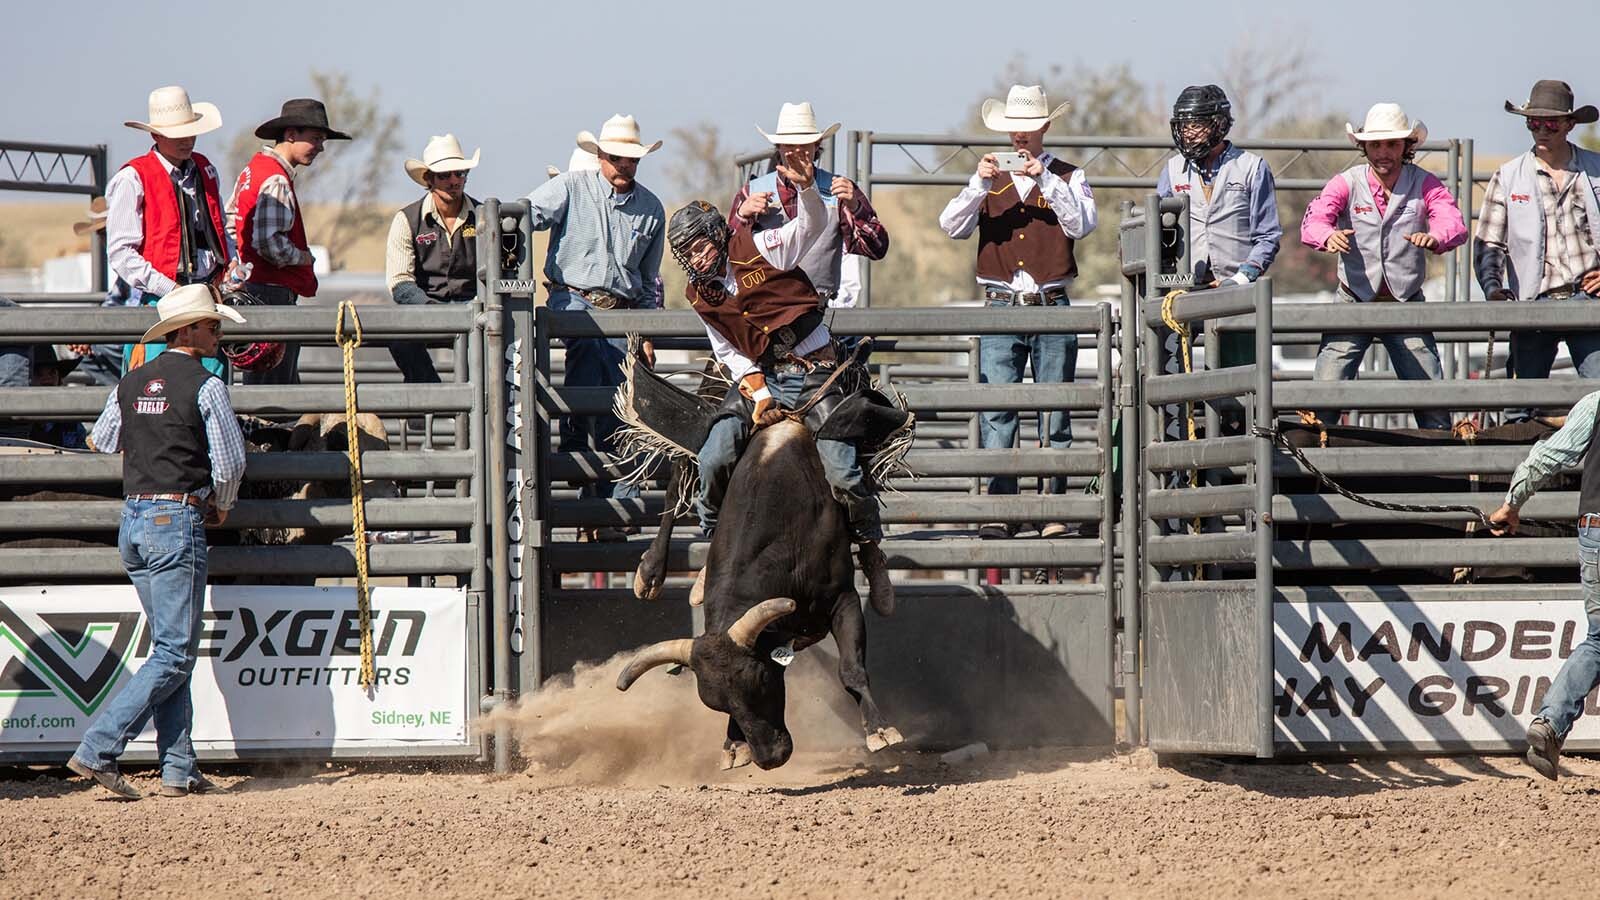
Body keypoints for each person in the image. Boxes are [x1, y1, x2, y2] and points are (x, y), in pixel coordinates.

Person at [666, 150, 895, 613]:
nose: (698, 257)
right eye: (688, 253)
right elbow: (728, 350)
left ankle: (870, 547)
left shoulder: (760, 244)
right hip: (763, 375)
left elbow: (809, 227)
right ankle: (714, 545)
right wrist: (760, 392)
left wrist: (808, 189)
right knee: (713, 457)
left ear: (717, 235)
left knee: (842, 469)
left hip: (815, 370)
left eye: (701, 246)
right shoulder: (700, 295)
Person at [66, 284, 246, 800]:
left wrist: (150, 429)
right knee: (174, 651)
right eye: (212, 325)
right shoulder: (207, 385)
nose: (217, 332)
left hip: (135, 521)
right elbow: (230, 461)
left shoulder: (131, 381)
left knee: (172, 646)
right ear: (187, 331)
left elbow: (103, 439)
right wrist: (223, 503)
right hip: (175, 519)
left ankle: (178, 766)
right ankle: (99, 746)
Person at [938, 84, 1097, 540]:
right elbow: (951, 226)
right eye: (1014, 129)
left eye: (1027, 127)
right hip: (1001, 303)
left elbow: (1082, 225)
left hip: (1051, 302)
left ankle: (1051, 506)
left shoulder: (1068, 175)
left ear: (1044, 127)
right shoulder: (988, 178)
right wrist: (978, 185)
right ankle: (1002, 506)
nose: (1020, 136)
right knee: (998, 411)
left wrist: (1046, 181)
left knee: (1055, 413)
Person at [524, 115, 666, 539]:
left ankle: (595, 480)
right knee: (590, 349)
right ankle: (589, 463)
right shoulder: (571, 187)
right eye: (618, 158)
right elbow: (523, 215)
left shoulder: (652, 209)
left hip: (621, 309)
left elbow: (648, 281)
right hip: (573, 297)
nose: (625, 165)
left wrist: (645, 333)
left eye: (632, 159)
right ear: (601, 156)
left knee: (621, 400)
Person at [1301, 103, 1467, 430]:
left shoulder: (1425, 184)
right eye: (1375, 144)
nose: (1383, 152)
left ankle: (1442, 454)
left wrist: (1436, 237)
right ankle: (1314, 454)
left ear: (1406, 146)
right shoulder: (1346, 183)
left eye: (1392, 144)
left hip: (1404, 300)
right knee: (1324, 395)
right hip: (1354, 299)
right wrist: (1327, 235)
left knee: (1431, 398)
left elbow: (1452, 221)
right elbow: (1314, 220)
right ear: (1364, 147)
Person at [1488, 388, 1600, 780]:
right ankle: (1551, 723)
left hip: (1596, 529)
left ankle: (1551, 723)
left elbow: (1549, 456)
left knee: (1599, 639)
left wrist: (1512, 503)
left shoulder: (1597, 402)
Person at [1475, 79, 1600, 419]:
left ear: (1569, 124)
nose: (1541, 130)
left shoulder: (1596, 170)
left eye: (1551, 123)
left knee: (1598, 394)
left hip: (1588, 300)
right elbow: (1489, 242)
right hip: (1532, 301)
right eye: (1534, 122)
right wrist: (1493, 288)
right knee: (1519, 407)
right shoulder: (1508, 176)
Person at [108, 86, 235, 377]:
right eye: (178, 134)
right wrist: (171, 289)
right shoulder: (133, 178)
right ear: (156, 135)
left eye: (191, 132)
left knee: (210, 379)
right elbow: (121, 254)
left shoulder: (205, 171)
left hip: (208, 296)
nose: (187, 140)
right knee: (157, 383)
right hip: (160, 301)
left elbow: (220, 230)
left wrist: (230, 266)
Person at [227, 98, 352, 385]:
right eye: (316, 138)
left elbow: (232, 221)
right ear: (291, 135)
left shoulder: (253, 170)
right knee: (275, 386)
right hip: (271, 293)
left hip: (252, 288)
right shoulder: (276, 179)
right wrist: (303, 257)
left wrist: (240, 263)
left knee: (266, 381)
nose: (320, 147)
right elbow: (269, 244)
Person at [728, 101, 889, 319]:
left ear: (816, 145)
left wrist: (856, 207)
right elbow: (726, 258)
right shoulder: (751, 192)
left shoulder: (839, 190)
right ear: (779, 147)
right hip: (765, 313)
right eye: (789, 144)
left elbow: (877, 248)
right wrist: (741, 217)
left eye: (804, 144)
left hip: (819, 312)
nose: (797, 151)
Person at [385, 134, 481, 384]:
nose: (454, 180)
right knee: (399, 337)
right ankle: (431, 394)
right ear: (429, 179)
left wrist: (478, 306)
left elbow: (499, 273)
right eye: (445, 175)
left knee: (496, 339)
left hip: (474, 309)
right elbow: (400, 283)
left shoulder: (484, 217)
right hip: (424, 308)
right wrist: (430, 309)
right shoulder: (406, 219)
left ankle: (480, 398)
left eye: (460, 173)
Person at [68, 197, 134, 387]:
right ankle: (124, 391)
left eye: (105, 232)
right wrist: (88, 332)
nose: (103, 240)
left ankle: (125, 391)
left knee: (97, 349)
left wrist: (93, 335)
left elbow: (129, 310)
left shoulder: (134, 263)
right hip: (129, 335)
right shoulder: (126, 267)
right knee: (82, 354)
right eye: (101, 234)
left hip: (139, 335)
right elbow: (112, 304)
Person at [28, 346, 89, 449]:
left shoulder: (70, 422)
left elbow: (81, 451)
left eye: (52, 372)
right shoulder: (16, 420)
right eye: (38, 373)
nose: (47, 379)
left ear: (59, 379)